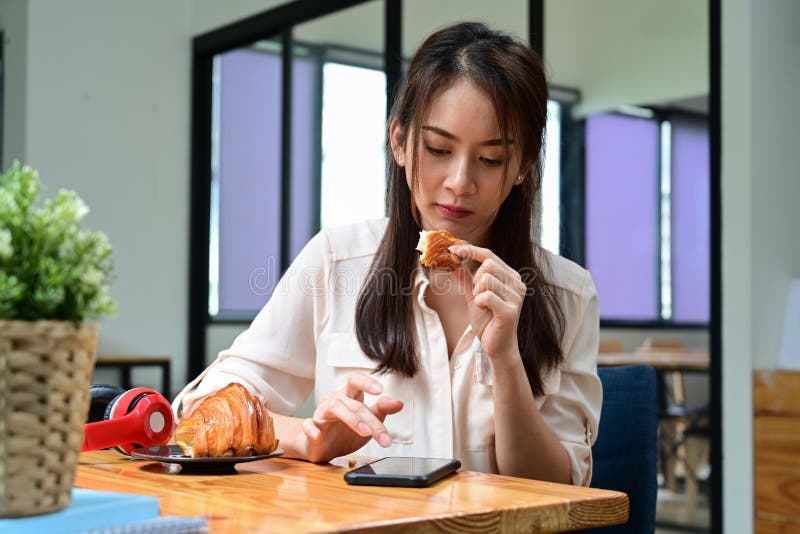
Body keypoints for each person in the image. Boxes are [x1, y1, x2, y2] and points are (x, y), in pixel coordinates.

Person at [173, 21, 601, 486]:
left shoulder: (569, 294)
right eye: (438, 149)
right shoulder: (337, 261)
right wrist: (307, 437)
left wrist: (506, 359)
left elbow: (562, 487)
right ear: (400, 141)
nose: (460, 182)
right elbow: (201, 407)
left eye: (491, 159)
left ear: (523, 167)